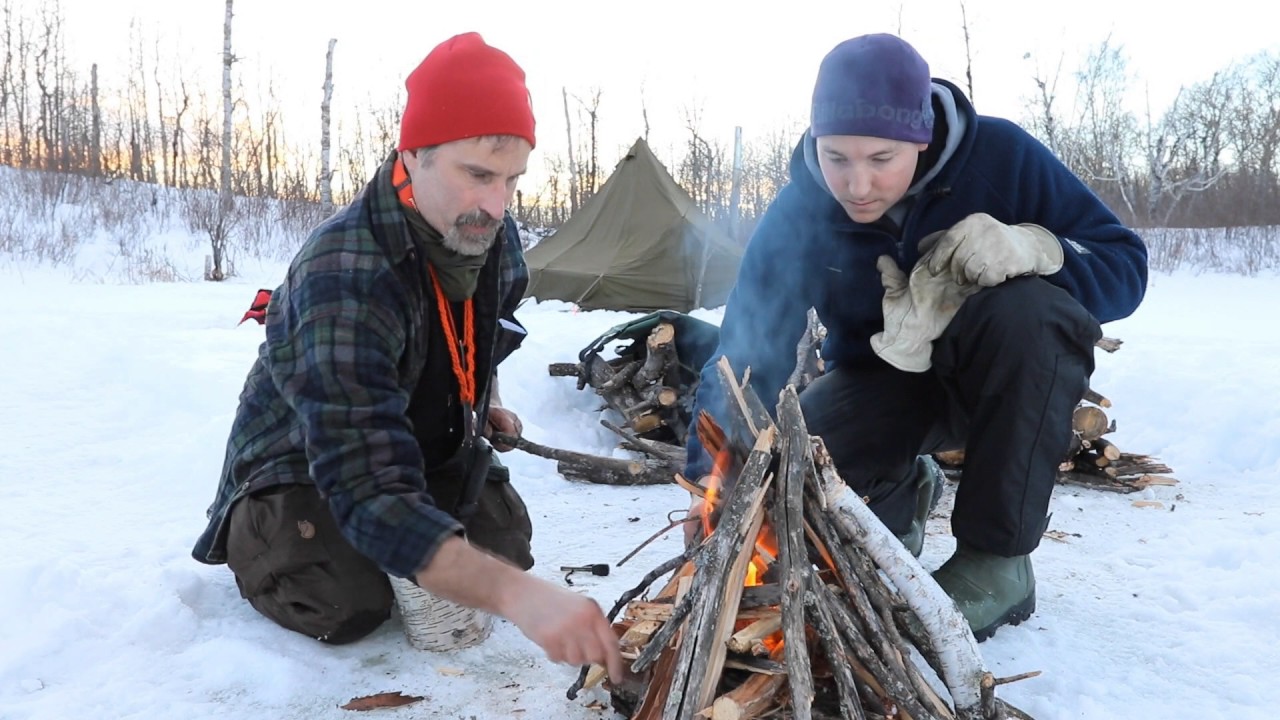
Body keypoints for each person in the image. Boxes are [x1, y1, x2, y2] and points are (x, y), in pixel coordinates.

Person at [684, 33, 1146, 641]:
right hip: (880, 384)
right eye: (837, 158)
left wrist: (1042, 248)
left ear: (921, 137)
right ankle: (900, 497)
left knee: (1032, 311)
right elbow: (744, 348)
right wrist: (709, 484)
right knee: (795, 470)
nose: (856, 185)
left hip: (1001, 376)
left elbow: (1125, 266)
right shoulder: (802, 209)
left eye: (881, 159)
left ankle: (997, 562)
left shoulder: (999, 157)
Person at [192, 32, 623, 679]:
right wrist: (516, 598)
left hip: (419, 442)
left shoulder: (490, 235)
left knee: (506, 542)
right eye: (477, 174)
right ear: (413, 153)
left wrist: (488, 404)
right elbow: (367, 491)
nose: (496, 204)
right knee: (348, 599)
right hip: (303, 464)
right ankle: (263, 541)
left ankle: (421, 543)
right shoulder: (344, 272)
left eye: (511, 180)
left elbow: (487, 332)